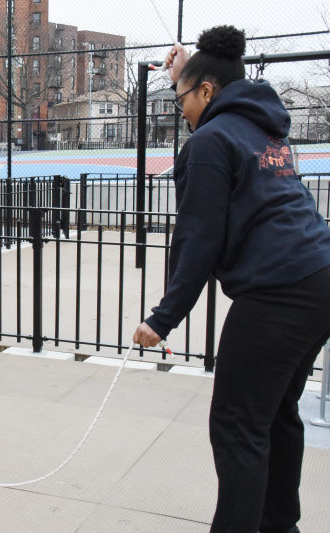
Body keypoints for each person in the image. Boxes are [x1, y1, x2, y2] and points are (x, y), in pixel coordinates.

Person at [133, 26, 330, 533]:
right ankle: (279, 525)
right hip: (318, 277)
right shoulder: (264, 127)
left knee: (236, 426)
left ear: (207, 90)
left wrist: (163, 317)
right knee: (276, 412)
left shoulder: (212, 140)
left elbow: (198, 240)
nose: (180, 108)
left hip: (278, 293)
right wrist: (187, 71)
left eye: (182, 97)